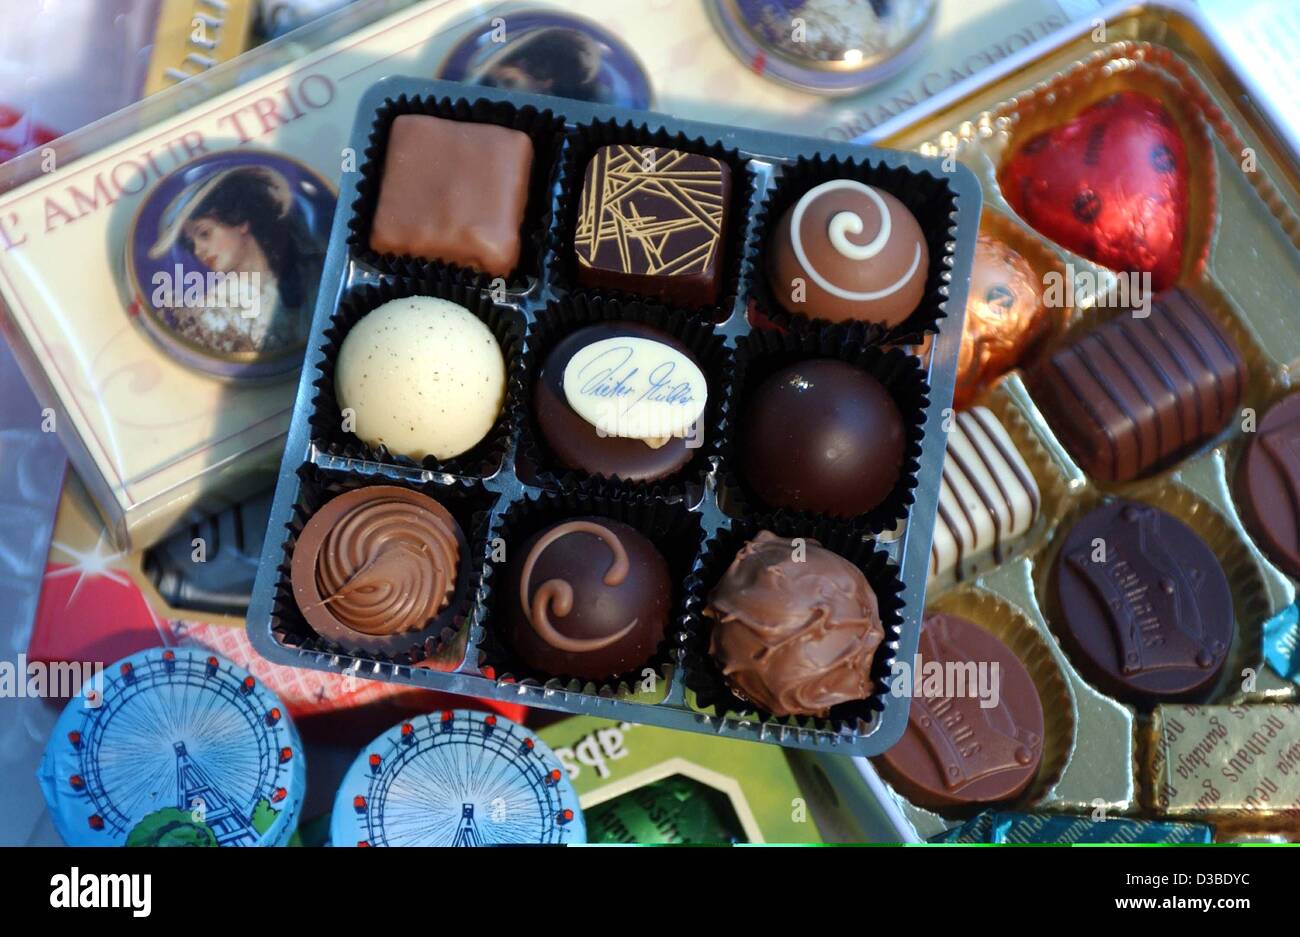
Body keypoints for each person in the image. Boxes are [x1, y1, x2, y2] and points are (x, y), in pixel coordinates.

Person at [147, 164, 323, 357]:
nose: (198, 250)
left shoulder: (310, 272)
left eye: (204, 234)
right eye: (190, 244)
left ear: (240, 221)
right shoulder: (215, 309)